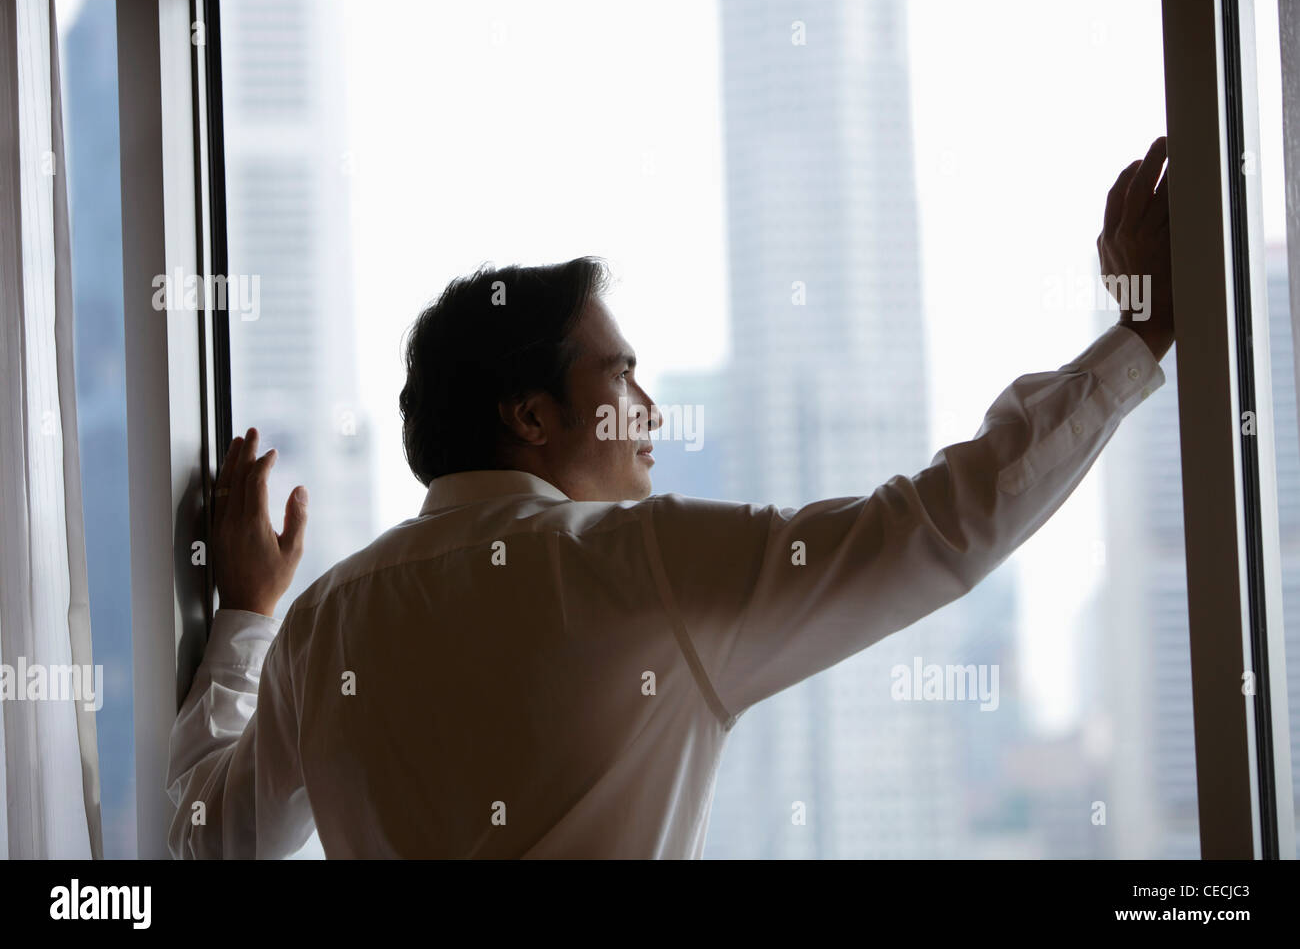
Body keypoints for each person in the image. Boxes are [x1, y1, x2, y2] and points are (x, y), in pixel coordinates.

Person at [166, 137, 1175, 858]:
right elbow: (931, 528)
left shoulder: (328, 619)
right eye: (620, 375)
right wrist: (1134, 339)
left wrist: (248, 616)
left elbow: (204, 842)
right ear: (530, 414)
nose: (649, 410)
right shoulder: (641, 565)